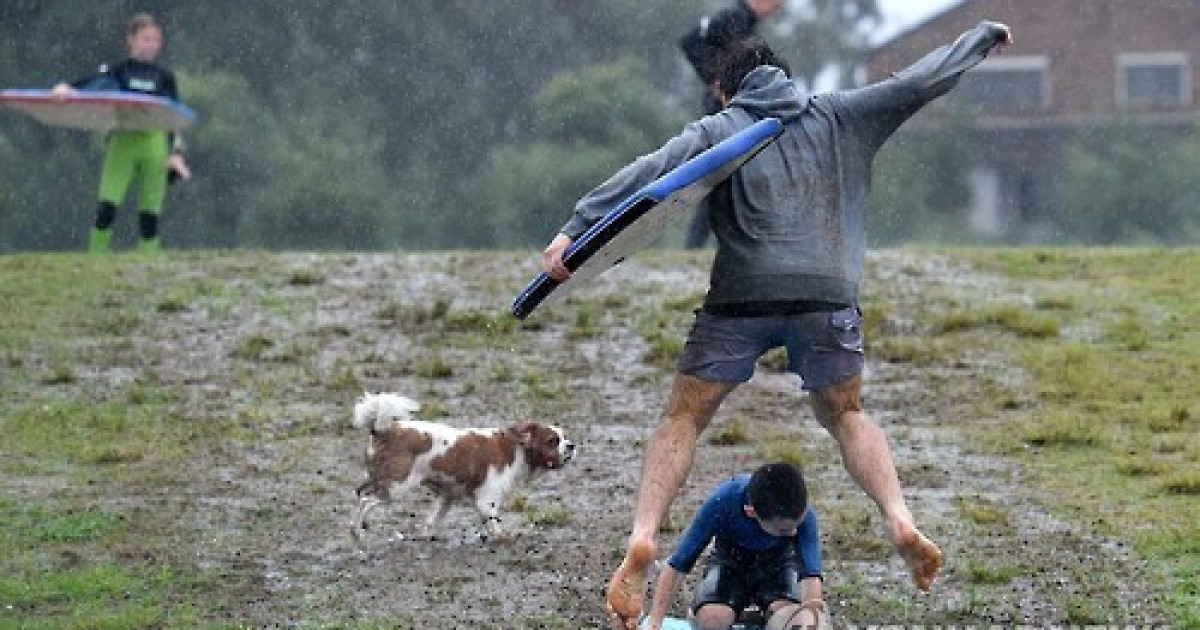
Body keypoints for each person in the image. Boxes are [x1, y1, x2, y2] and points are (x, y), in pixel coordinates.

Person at [538, 20, 1013, 630]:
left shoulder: (721, 128)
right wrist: (979, 38)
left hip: (741, 296)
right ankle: (898, 517)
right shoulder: (844, 114)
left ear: (724, 92)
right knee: (847, 415)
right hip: (828, 296)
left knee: (683, 417)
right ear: (787, 79)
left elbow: (648, 176)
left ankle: (644, 536)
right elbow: (918, 81)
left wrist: (575, 230)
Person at [52, 13, 191, 253]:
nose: (151, 45)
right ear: (131, 40)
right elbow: (93, 82)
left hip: (154, 145)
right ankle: (95, 259)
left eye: (156, 40)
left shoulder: (165, 77)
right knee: (107, 207)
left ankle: (148, 263)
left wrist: (176, 154)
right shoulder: (119, 71)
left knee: (150, 215)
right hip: (123, 142)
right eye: (145, 39)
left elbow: (174, 117)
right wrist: (68, 88)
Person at [643, 462, 828, 630]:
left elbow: (811, 579)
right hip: (730, 562)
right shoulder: (723, 502)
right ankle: (723, 611)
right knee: (712, 621)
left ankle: (761, 615)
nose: (794, 533)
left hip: (778, 564)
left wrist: (810, 620)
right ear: (751, 513)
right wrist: (654, 623)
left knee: (790, 622)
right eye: (784, 530)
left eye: (798, 524)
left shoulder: (801, 513)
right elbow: (678, 565)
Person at [679, 0, 784, 249]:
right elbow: (691, 41)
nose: (776, 10)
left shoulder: (743, 22)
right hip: (724, 107)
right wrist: (714, 78)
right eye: (775, 4)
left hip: (732, 104)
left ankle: (721, 242)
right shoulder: (734, 17)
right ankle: (699, 244)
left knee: (729, 178)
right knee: (722, 177)